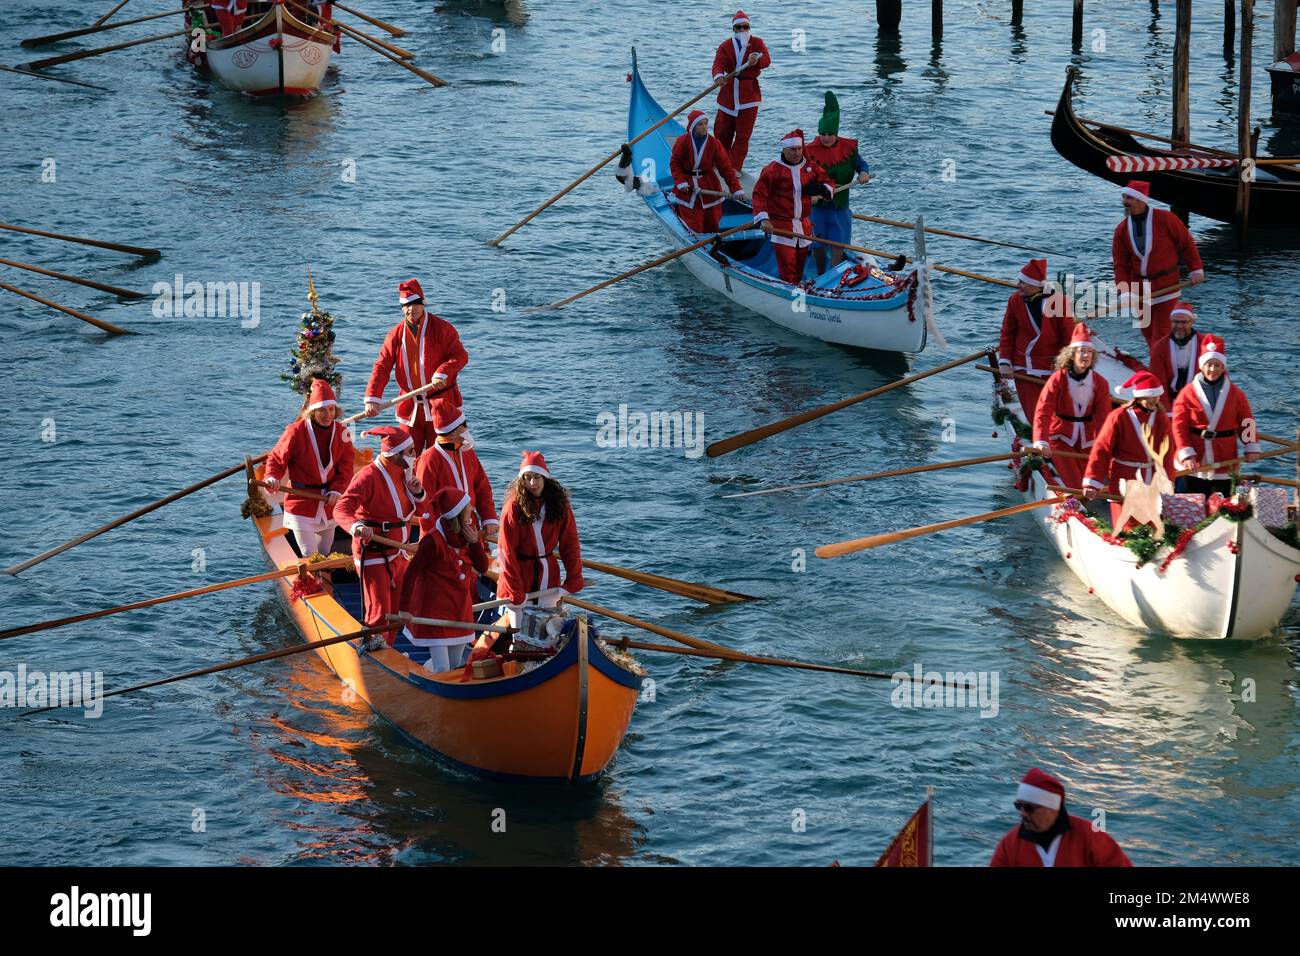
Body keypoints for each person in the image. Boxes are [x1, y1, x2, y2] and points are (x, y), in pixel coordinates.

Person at [333, 426, 426, 650]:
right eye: (411, 451)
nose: (415, 455)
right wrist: (355, 526)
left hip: (400, 550)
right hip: (374, 550)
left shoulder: (406, 476)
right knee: (380, 609)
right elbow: (341, 508)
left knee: (397, 611)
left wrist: (418, 493)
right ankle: (371, 648)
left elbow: (423, 512)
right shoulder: (367, 476)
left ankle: (387, 649)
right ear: (397, 454)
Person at [363, 278, 468, 457]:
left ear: (423, 304)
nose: (411, 309)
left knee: (444, 456)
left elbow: (460, 356)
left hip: (441, 404)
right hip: (410, 405)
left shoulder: (442, 328)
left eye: (415, 303)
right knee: (405, 455)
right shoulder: (395, 334)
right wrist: (373, 398)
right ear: (402, 308)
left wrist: (443, 371)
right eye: (406, 305)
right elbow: (382, 366)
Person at [397, 486, 490, 674]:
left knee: (455, 666)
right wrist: (403, 609)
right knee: (443, 668)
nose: (471, 513)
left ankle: (426, 673)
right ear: (457, 516)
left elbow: (483, 567)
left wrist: (475, 544)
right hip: (435, 612)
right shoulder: (432, 542)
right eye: (467, 510)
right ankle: (430, 683)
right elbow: (411, 574)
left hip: (459, 609)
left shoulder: (468, 534)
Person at [262, 378, 355, 559]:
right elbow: (277, 458)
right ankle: (310, 583)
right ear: (312, 412)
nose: (328, 415)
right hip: (300, 501)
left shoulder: (342, 432)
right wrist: (272, 476)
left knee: (325, 552)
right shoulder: (295, 432)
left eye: (331, 409)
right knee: (310, 554)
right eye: (321, 410)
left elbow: (346, 468)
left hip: (328, 502)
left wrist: (337, 490)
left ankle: (320, 583)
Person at [1111, 180, 1204, 356]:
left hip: (1166, 287)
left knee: (1160, 335)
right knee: (1147, 334)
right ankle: (1166, 365)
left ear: (1141, 200)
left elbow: (1186, 243)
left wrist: (1196, 269)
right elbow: (1120, 264)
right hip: (1139, 290)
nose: (1125, 201)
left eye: (1129, 197)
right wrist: (1124, 291)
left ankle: (1159, 375)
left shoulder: (1165, 219)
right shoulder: (1122, 230)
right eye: (1124, 196)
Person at [495, 452, 584, 622]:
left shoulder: (560, 505)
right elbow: (506, 552)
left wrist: (574, 578)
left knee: (547, 632)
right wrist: (515, 590)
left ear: (545, 478)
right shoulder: (513, 508)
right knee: (519, 634)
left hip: (548, 580)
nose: (532, 483)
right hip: (518, 577)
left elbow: (570, 544)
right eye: (527, 478)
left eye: (537, 477)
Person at [1171, 335, 1260, 496]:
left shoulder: (1236, 393)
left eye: (1217, 365)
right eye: (1209, 365)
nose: (1213, 370)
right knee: (1189, 507)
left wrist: (1251, 445)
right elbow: (1178, 426)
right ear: (1201, 367)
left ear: (1223, 367)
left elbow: (1247, 421)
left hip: (1224, 458)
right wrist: (1186, 454)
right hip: (1194, 461)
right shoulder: (1187, 393)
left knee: (1223, 508)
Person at [990, 768, 1131, 867]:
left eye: (1029, 808)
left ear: (1053, 808)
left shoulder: (1090, 837)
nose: (1022, 813)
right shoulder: (1010, 845)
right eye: (1019, 806)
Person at [1031, 324, 1111, 492]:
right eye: (1081, 351)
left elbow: (1104, 418)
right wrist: (1040, 441)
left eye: (1089, 352)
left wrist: (1104, 447)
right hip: (1061, 438)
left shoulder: (1101, 383)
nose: (1085, 355)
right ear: (1072, 354)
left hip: (1088, 440)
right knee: (1075, 485)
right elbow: (1043, 411)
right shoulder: (1057, 380)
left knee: (1089, 482)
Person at [752, 130, 835, 285]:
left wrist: (822, 189)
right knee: (788, 268)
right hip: (781, 226)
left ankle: (797, 289)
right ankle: (789, 293)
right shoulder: (772, 170)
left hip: (803, 226)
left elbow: (829, 182)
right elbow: (759, 195)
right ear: (784, 150)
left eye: (799, 149)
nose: (797, 153)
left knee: (799, 268)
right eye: (792, 150)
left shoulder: (810, 167)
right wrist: (764, 219)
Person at [996, 258, 1073, 418]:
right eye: (1019, 281)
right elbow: (1007, 333)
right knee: (1035, 415)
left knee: (1057, 411)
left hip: (1051, 366)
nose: (1018, 285)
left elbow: (1068, 337)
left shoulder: (1058, 301)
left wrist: (1063, 363)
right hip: (1022, 366)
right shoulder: (1015, 300)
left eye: (1022, 282)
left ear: (1035, 285)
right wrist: (1004, 363)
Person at [804, 91, 871, 274]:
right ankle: (819, 273)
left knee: (838, 241)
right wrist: (811, 195)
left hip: (840, 204)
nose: (826, 138)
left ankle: (834, 274)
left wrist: (864, 173)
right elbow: (802, 177)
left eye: (830, 134)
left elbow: (861, 164)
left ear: (836, 134)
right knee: (817, 242)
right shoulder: (809, 152)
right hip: (818, 205)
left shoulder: (848, 150)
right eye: (823, 134)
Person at [1082, 371, 1174, 498]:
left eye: (1157, 397)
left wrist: (1168, 479)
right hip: (1123, 479)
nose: (1154, 401)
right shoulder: (1119, 416)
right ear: (1139, 397)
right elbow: (1102, 449)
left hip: (1150, 479)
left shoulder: (1161, 418)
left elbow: (1167, 453)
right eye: (1150, 396)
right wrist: (1092, 481)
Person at [414, 404, 498, 540]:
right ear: (453, 432)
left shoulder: (467, 452)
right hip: (444, 530)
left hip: (470, 527)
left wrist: (489, 517)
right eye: (464, 425)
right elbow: (425, 504)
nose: (467, 428)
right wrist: (433, 538)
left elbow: (482, 486)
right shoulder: (429, 459)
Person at [711, 10, 771, 171]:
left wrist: (757, 58)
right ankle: (720, 162)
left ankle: (734, 167)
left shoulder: (757, 43)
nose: (743, 30)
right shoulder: (725, 46)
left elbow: (766, 60)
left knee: (743, 136)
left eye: (746, 27)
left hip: (749, 97)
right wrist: (718, 77)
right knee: (722, 132)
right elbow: (718, 64)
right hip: (728, 95)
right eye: (739, 27)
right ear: (734, 29)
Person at [669, 110, 744, 235]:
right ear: (693, 127)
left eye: (705, 124)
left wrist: (736, 188)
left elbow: (725, 168)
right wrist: (680, 182)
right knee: (694, 225)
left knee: (713, 223)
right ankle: (695, 242)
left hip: (709, 185)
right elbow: (675, 164)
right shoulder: (683, 142)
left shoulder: (714, 143)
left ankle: (712, 247)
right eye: (700, 124)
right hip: (688, 188)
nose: (704, 127)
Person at [1148, 300, 1208, 408]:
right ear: (1170, 322)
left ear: (1191, 322)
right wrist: (1166, 411)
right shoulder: (1160, 348)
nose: (1179, 326)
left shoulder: (1205, 344)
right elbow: (1158, 382)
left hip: (1200, 401)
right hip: (1172, 401)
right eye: (1176, 322)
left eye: (1184, 322)